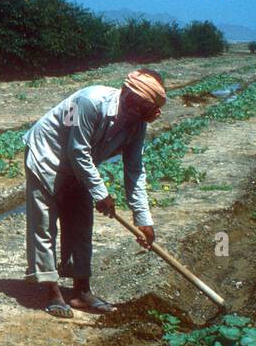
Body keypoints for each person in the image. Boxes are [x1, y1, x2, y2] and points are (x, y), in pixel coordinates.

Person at [23, 68, 165, 317]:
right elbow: (77, 150)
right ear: (126, 91)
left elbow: (134, 170)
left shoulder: (136, 126)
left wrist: (143, 219)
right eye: (133, 100)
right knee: (44, 224)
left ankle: (81, 291)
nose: (134, 109)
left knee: (81, 224)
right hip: (47, 155)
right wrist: (101, 193)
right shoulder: (88, 101)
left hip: (80, 165)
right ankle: (52, 291)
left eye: (142, 107)